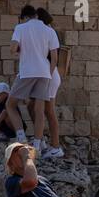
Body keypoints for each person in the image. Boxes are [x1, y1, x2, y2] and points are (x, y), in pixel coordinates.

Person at [5, 4, 58, 152]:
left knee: (10, 104)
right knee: (39, 111)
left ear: (25, 17)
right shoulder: (49, 30)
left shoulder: (21, 28)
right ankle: (37, 145)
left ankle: (21, 138)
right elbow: (54, 57)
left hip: (27, 72)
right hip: (45, 73)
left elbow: (12, 49)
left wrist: (20, 49)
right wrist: (49, 73)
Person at [35, 8, 64, 161]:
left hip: (50, 76)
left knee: (49, 111)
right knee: (39, 108)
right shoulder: (48, 31)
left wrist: (48, 74)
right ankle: (45, 143)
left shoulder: (47, 32)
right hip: (49, 75)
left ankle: (55, 147)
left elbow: (53, 57)